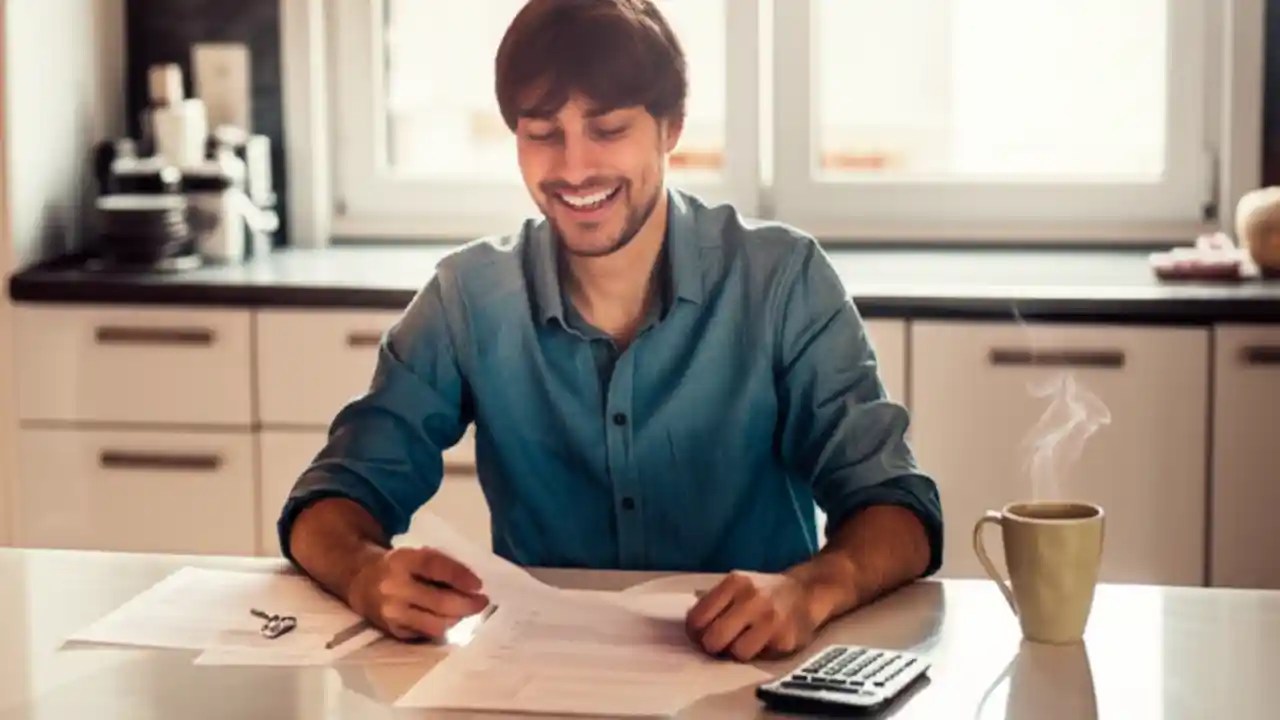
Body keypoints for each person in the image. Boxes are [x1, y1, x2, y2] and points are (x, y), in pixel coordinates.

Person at [281, 0, 942, 663]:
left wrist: (809, 591)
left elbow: (897, 508)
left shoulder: (780, 280)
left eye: (608, 129)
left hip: (754, 676)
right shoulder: (468, 298)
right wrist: (365, 573)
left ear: (670, 128)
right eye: (543, 133)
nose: (574, 168)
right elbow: (331, 498)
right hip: (541, 679)